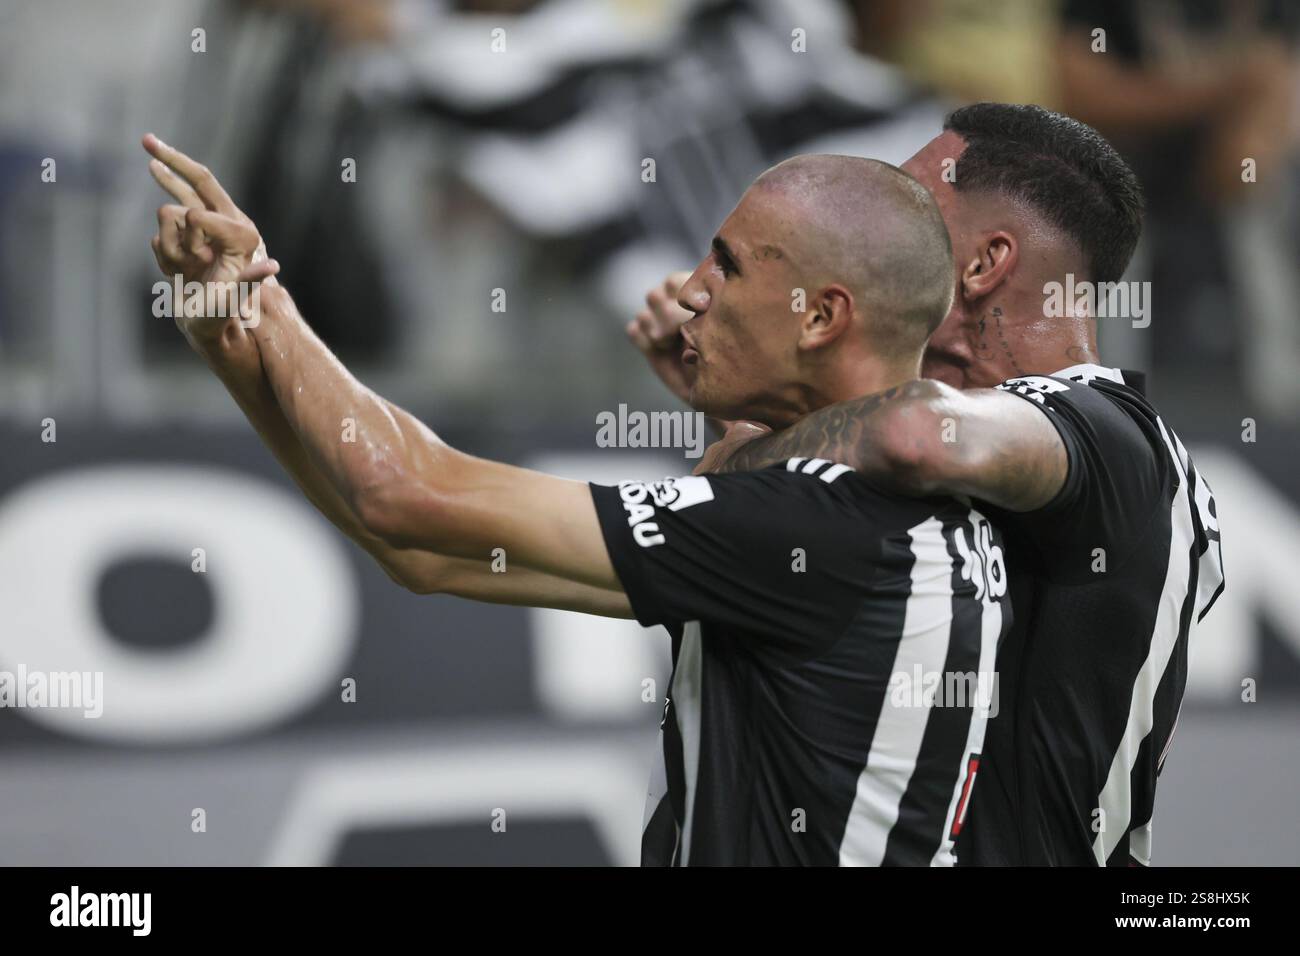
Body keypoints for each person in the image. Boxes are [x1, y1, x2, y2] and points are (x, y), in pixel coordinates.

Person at [143, 139, 1009, 866]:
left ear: (820, 318)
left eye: (732, 265)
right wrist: (228, 335)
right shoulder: (884, 505)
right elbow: (420, 551)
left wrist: (264, 298)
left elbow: (404, 491)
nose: (693, 287)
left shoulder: (811, 527)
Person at [630, 103, 1225, 866]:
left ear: (983, 265)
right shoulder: (933, 455)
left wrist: (743, 451)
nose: (874, 232)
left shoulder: (1112, 436)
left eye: (912, 207)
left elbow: (915, 437)